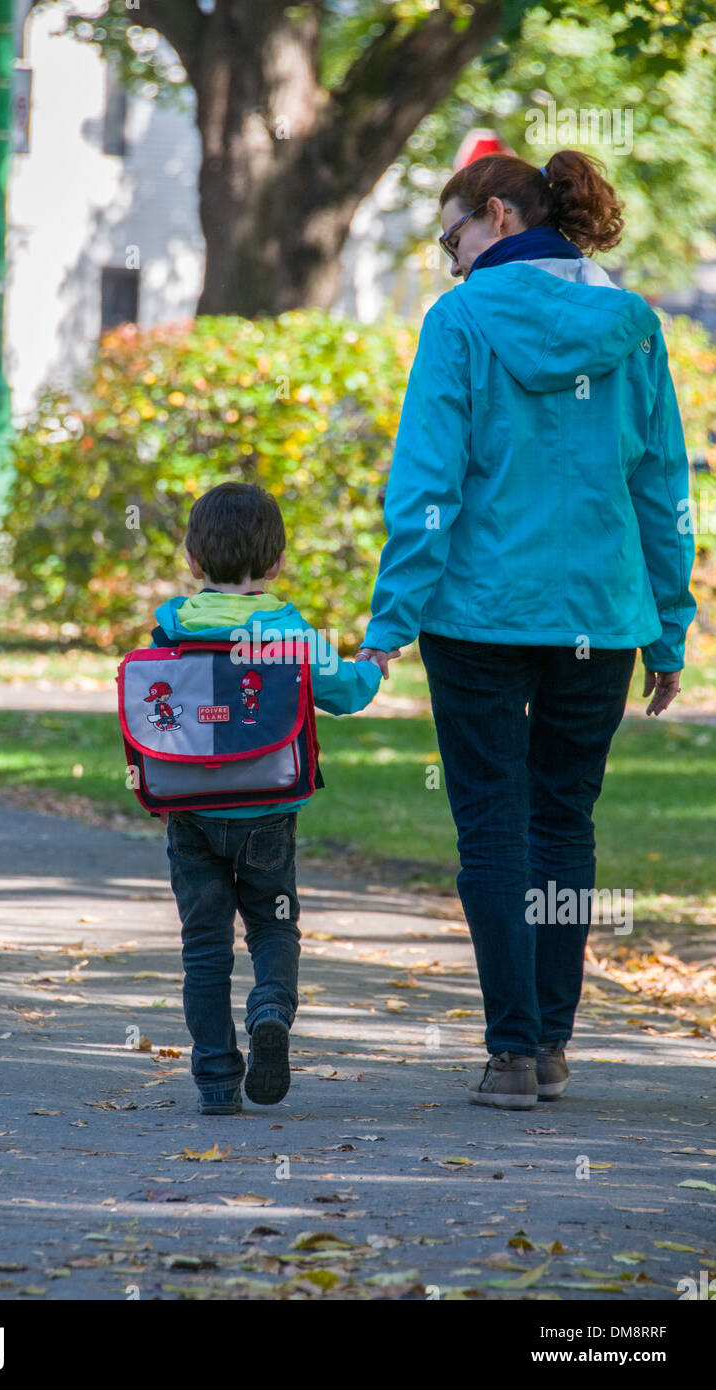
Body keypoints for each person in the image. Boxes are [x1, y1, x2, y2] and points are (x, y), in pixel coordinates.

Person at [357, 149, 696, 1110]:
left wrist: (390, 623)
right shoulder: (634, 328)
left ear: (497, 217)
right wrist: (669, 628)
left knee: (492, 832)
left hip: (478, 615)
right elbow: (660, 488)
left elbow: (427, 484)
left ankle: (508, 1053)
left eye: (451, 236)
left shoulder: (459, 321)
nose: (449, 259)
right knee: (563, 825)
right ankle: (549, 1045)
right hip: (600, 613)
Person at [151, 482, 381, 1115]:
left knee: (203, 947)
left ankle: (217, 1082)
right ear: (277, 563)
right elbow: (350, 694)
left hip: (190, 805)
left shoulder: (170, 628)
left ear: (193, 563)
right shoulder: (291, 633)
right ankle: (271, 1009)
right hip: (267, 806)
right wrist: (371, 663)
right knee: (274, 924)